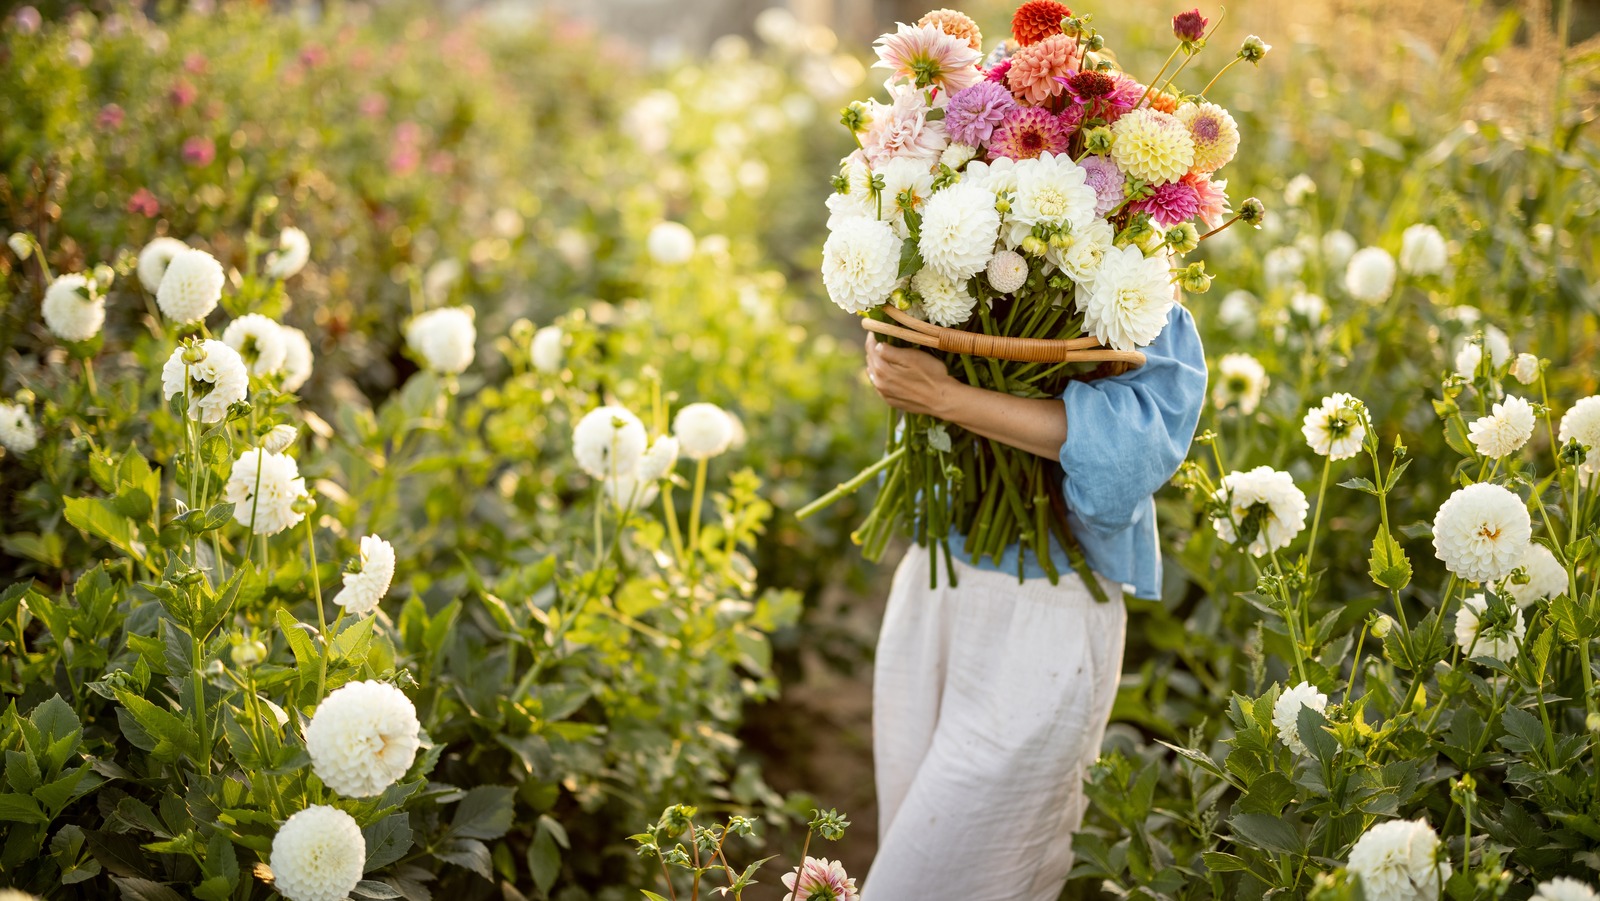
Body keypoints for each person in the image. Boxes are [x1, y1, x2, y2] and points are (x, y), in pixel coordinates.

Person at [859, 299, 1207, 901]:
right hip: (932, 582)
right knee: (908, 841)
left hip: (1047, 613)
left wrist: (946, 399)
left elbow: (1132, 450)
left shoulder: (1141, 279)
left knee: (933, 884)